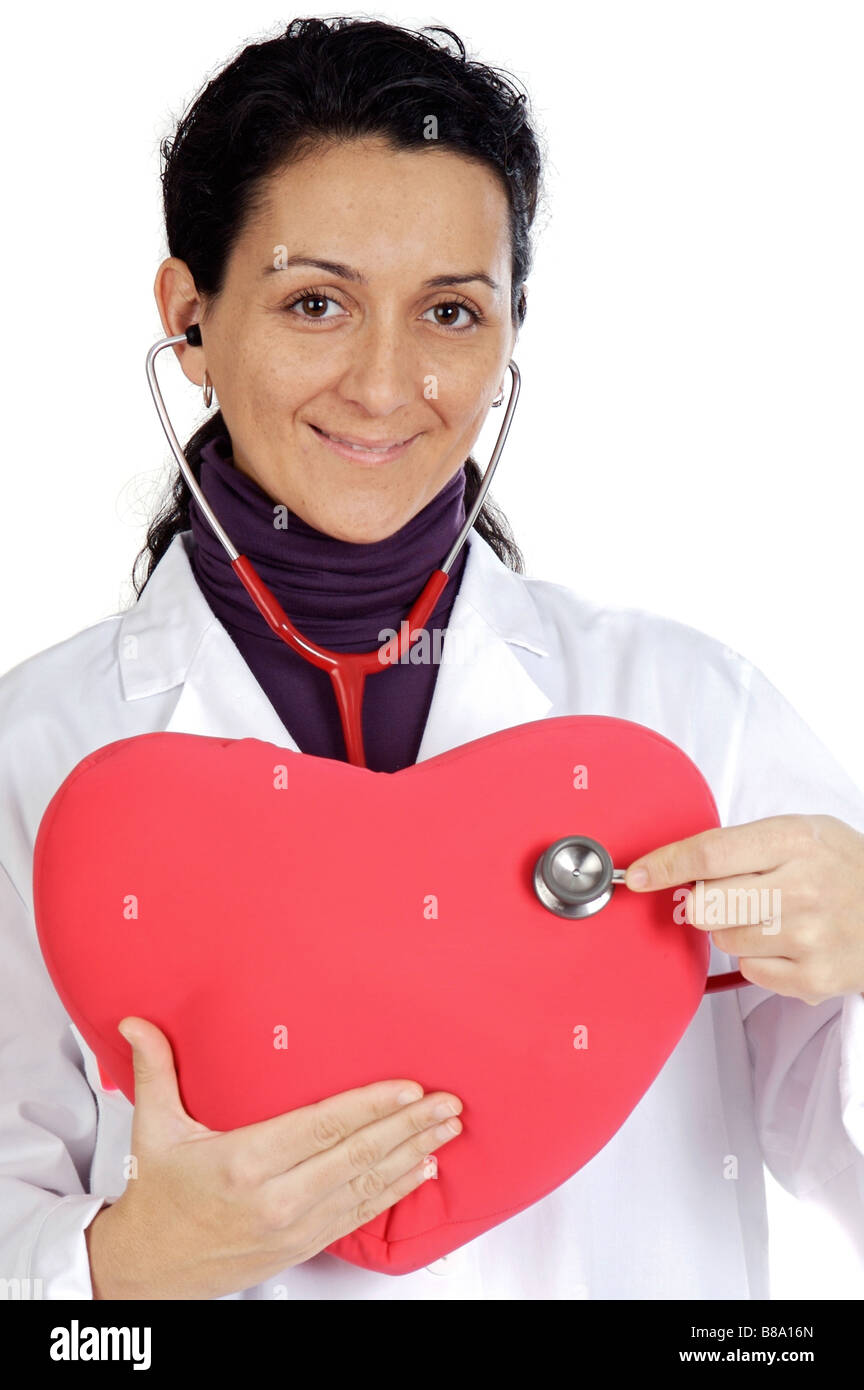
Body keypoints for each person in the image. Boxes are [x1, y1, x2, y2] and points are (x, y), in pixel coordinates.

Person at [1, 16, 863, 1302]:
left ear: (511, 329)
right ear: (189, 318)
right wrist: (117, 1275)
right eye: (315, 302)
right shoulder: (35, 756)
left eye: (451, 311)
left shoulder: (692, 716)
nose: (388, 382)